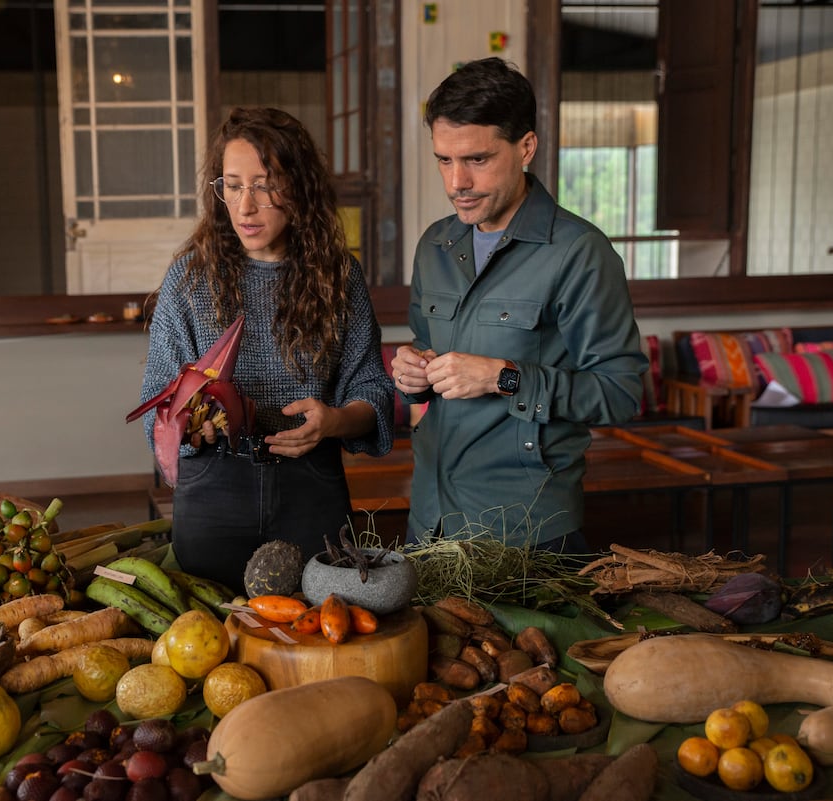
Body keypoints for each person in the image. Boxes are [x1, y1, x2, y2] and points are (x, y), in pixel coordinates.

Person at [389, 58, 648, 552]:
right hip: (431, 517)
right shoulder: (435, 245)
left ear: (526, 146)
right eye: (444, 159)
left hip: (526, 530)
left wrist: (503, 376)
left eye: (477, 160)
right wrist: (413, 373)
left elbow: (621, 394)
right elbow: (428, 353)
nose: (456, 183)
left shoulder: (578, 252)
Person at [138, 106, 395, 592]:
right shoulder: (191, 279)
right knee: (213, 640)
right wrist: (189, 424)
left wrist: (334, 421)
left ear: (298, 186)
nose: (245, 206)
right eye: (232, 185)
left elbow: (372, 391)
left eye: (264, 184)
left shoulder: (338, 277)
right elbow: (158, 401)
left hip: (311, 489)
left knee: (320, 637)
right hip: (214, 491)